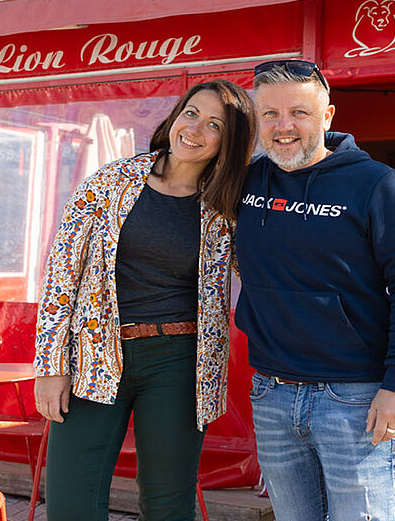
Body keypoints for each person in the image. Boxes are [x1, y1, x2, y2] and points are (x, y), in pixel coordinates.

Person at [33, 80, 256, 521]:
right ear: (176, 115)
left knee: (168, 504)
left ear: (228, 143)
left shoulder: (227, 206)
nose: (195, 129)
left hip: (180, 361)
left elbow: (262, 273)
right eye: (191, 113)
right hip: (95, 354)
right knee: (70, 502)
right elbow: (61, 275)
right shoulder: (110, 182)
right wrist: (50, 366)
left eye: (215, 125)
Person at [235, 59, 395, 521]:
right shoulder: (246, 182)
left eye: (299, 113)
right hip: (272, 393)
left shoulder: (375, 183)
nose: (284, 127)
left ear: (327, 117)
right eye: (270, 114)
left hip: (355, 397)